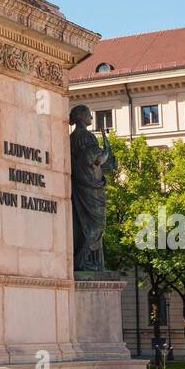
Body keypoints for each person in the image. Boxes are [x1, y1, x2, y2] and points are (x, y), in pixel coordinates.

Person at [69, 105, 116, 272]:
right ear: (81, 117)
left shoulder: (73, 137)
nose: (91, 117)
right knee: (96, 225)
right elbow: (97, 159)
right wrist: (107, 149)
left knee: (86, 224)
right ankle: (82, 261)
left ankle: (88, 261)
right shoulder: (85, 137)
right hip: (90, 187)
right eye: (89, 114)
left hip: (85, 185)